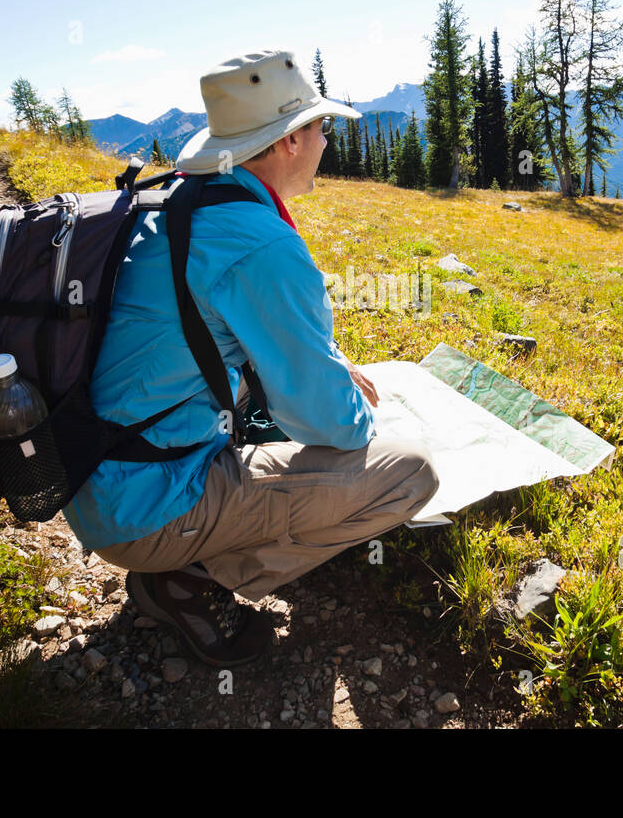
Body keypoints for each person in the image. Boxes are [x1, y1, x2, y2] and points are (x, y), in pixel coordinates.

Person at [62, 48, 439, 667]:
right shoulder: (258, 243)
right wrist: (378, 422)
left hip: (100, 478)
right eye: (319, 127)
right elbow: (332, 425)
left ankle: (187, 557)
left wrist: (321, 364)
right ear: (289, 142)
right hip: (148, 509)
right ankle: (191, 578)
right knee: (410, 470)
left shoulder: (180, 204)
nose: (325, 140)